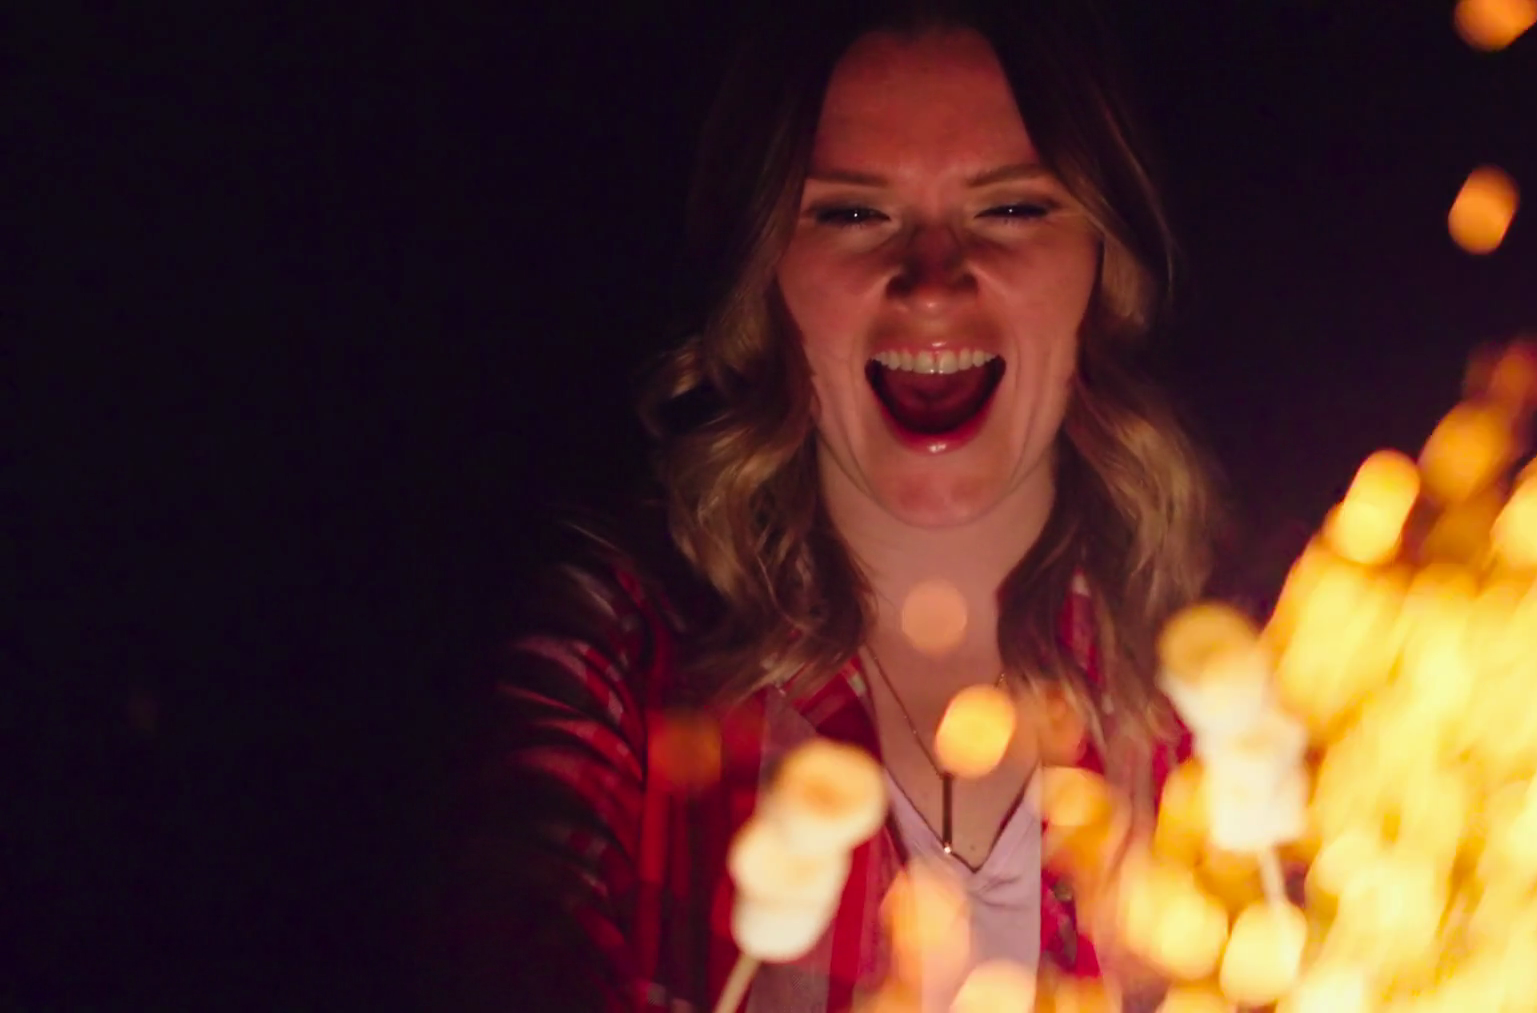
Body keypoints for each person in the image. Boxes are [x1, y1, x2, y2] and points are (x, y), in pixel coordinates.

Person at [428, 1, 1247, 1009]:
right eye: (854, 213)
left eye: (1011, 208)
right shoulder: (619, 663)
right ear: (765, 270)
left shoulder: (1244, 698)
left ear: (1103, 261)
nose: (934, 285)